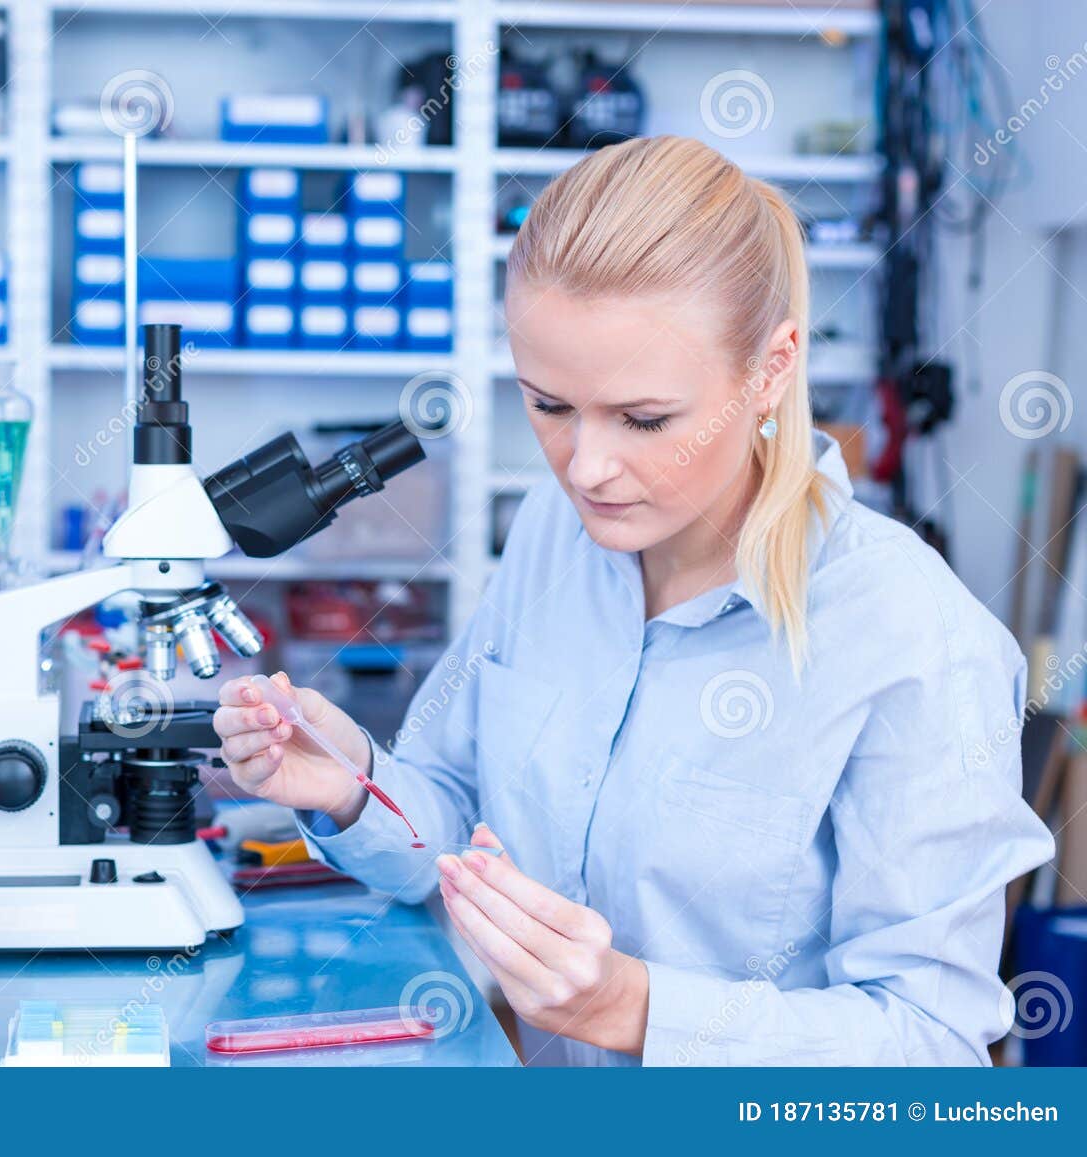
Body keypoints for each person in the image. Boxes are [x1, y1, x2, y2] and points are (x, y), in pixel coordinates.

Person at [214, 135, 1053, 1066]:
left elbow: (932, 1044)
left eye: (645, 420)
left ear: (770, 369)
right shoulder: (553, 531)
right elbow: (458, 817)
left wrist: (637, 1009)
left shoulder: (911, 633)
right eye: (549, 405)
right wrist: (349, 785)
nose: (587, 466)